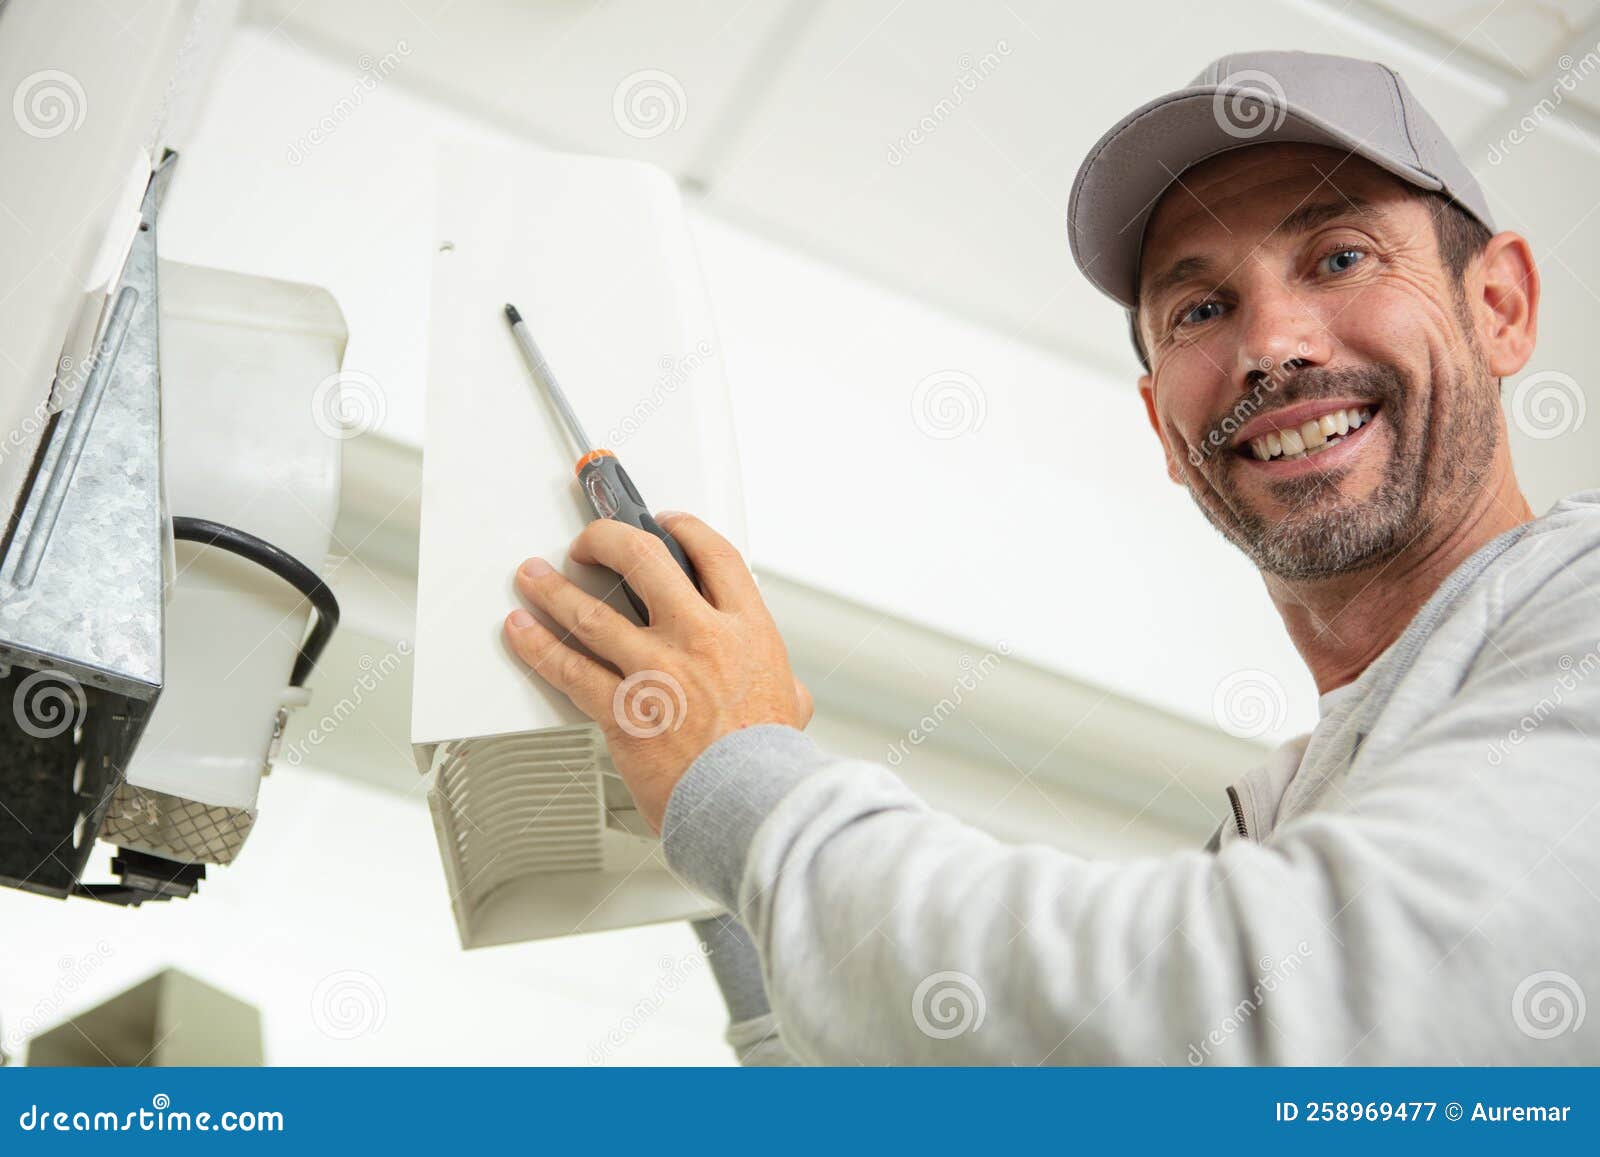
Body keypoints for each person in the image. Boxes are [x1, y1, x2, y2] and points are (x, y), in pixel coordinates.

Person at [502, 50, 1600, 1064]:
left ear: (1499, 306)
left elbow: (1258, 1019)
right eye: (1200, 308)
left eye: (1341, 255)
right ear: (1165, 430)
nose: (1270, 344)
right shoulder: (1278, 818)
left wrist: (740, 781)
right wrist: (712, 850)